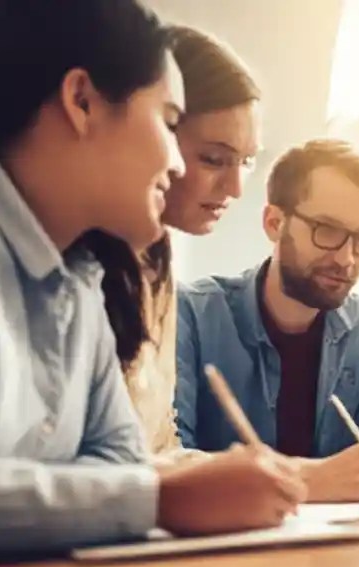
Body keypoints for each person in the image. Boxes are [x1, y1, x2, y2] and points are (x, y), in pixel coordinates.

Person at [0, 0, 304, 560]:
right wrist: (154, 498)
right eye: (170, 122)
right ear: (82, 102)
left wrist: (136, 494)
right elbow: (131, 488)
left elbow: (118, 464)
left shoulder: (81, 279)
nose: (177, 165)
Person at [175, 139, 359, 500]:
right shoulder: (192, 314)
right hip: (219, 545)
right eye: (326, 231)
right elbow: (167, 463)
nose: (346, 259)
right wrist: (310, 479)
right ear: (274, 223)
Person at [120, 24, 262, 457]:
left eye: (248, 161)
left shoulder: (157, 264)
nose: (237, 188)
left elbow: (158, 444)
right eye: (214, 159)